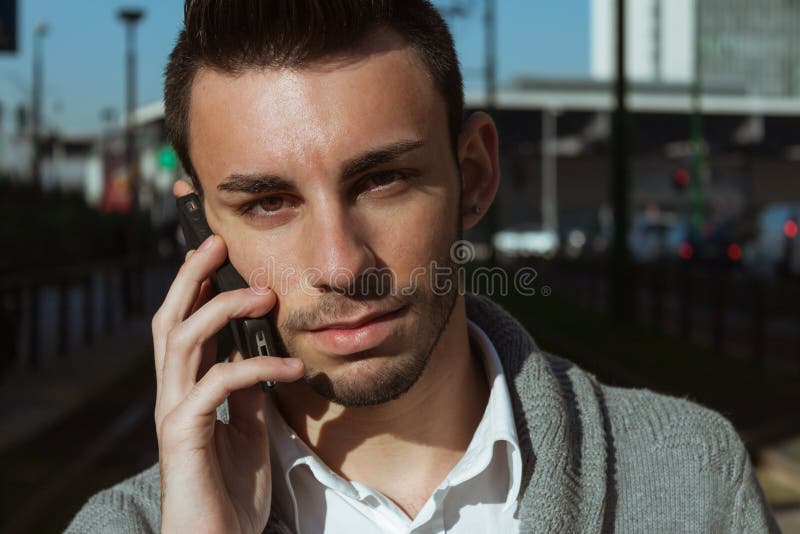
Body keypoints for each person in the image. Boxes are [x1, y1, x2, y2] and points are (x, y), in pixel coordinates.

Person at [67, 1, 779, 532]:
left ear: (474, 174)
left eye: (382, 182)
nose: (342, 265)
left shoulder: (689, 478)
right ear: (199, 228)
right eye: (269, 203)